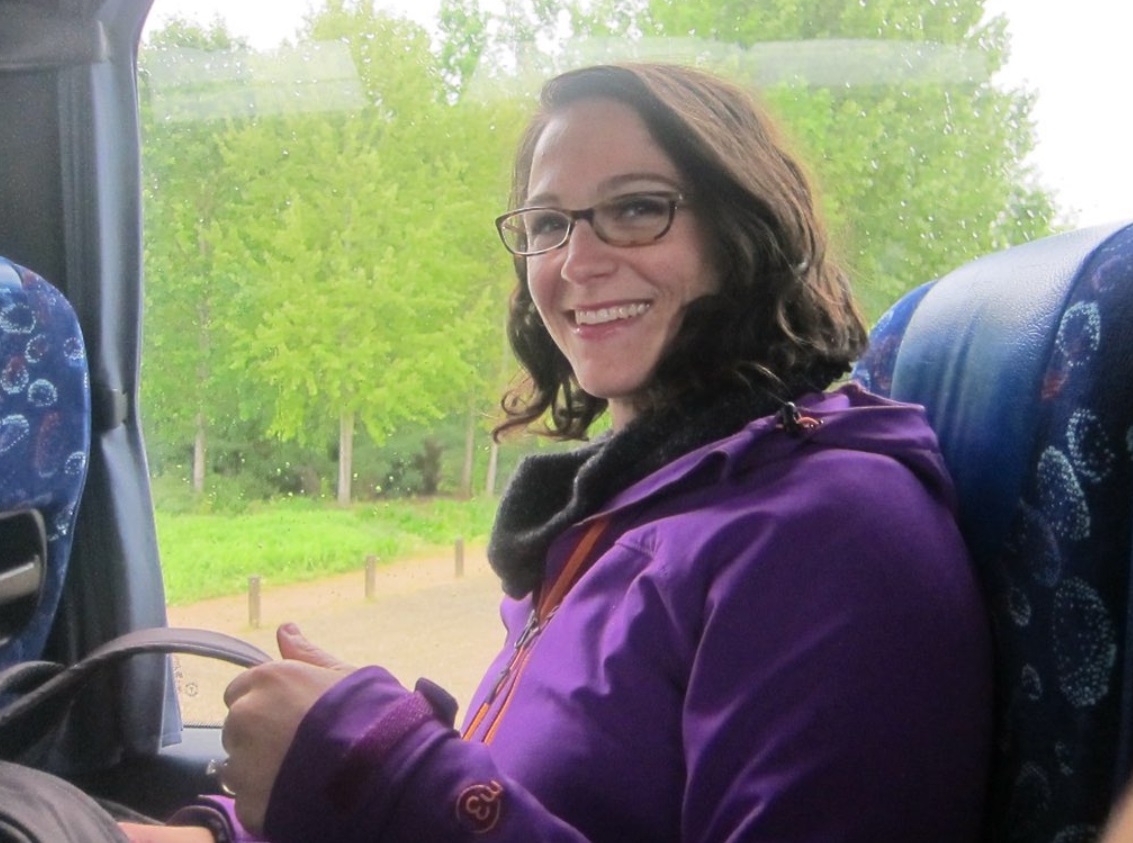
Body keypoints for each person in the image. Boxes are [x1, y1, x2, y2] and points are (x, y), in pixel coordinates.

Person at [123, 62, 993, 842]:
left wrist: (377, 766)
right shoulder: (629, 507)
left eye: (636, 208)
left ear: (742, 233)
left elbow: (447, 802)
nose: (576, 261)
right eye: (546, 223)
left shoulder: (832, 531)